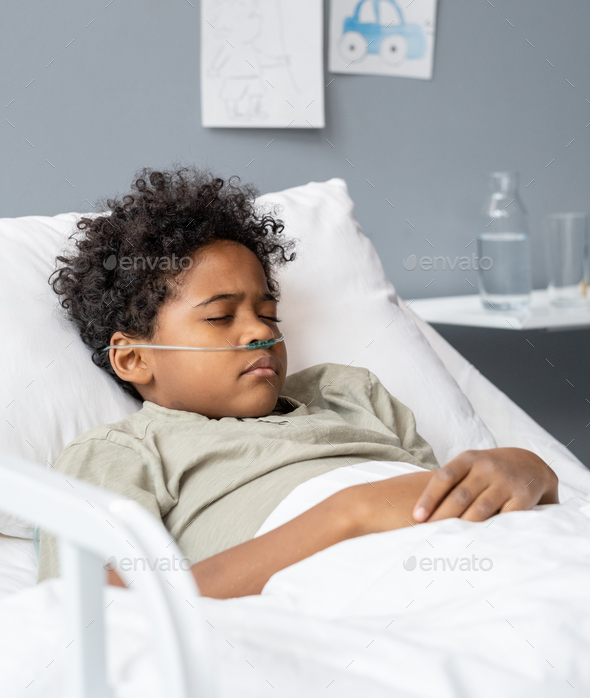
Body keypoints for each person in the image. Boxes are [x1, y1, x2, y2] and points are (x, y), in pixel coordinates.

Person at [38, 168, 559, 598]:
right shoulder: (125, 452)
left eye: (269, 313)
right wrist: (340, 518)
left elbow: (444, 503)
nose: (261, 331)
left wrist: (530, 471)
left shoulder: (347, 392)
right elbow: (88, 607)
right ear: (132, 357)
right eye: (221, 318)